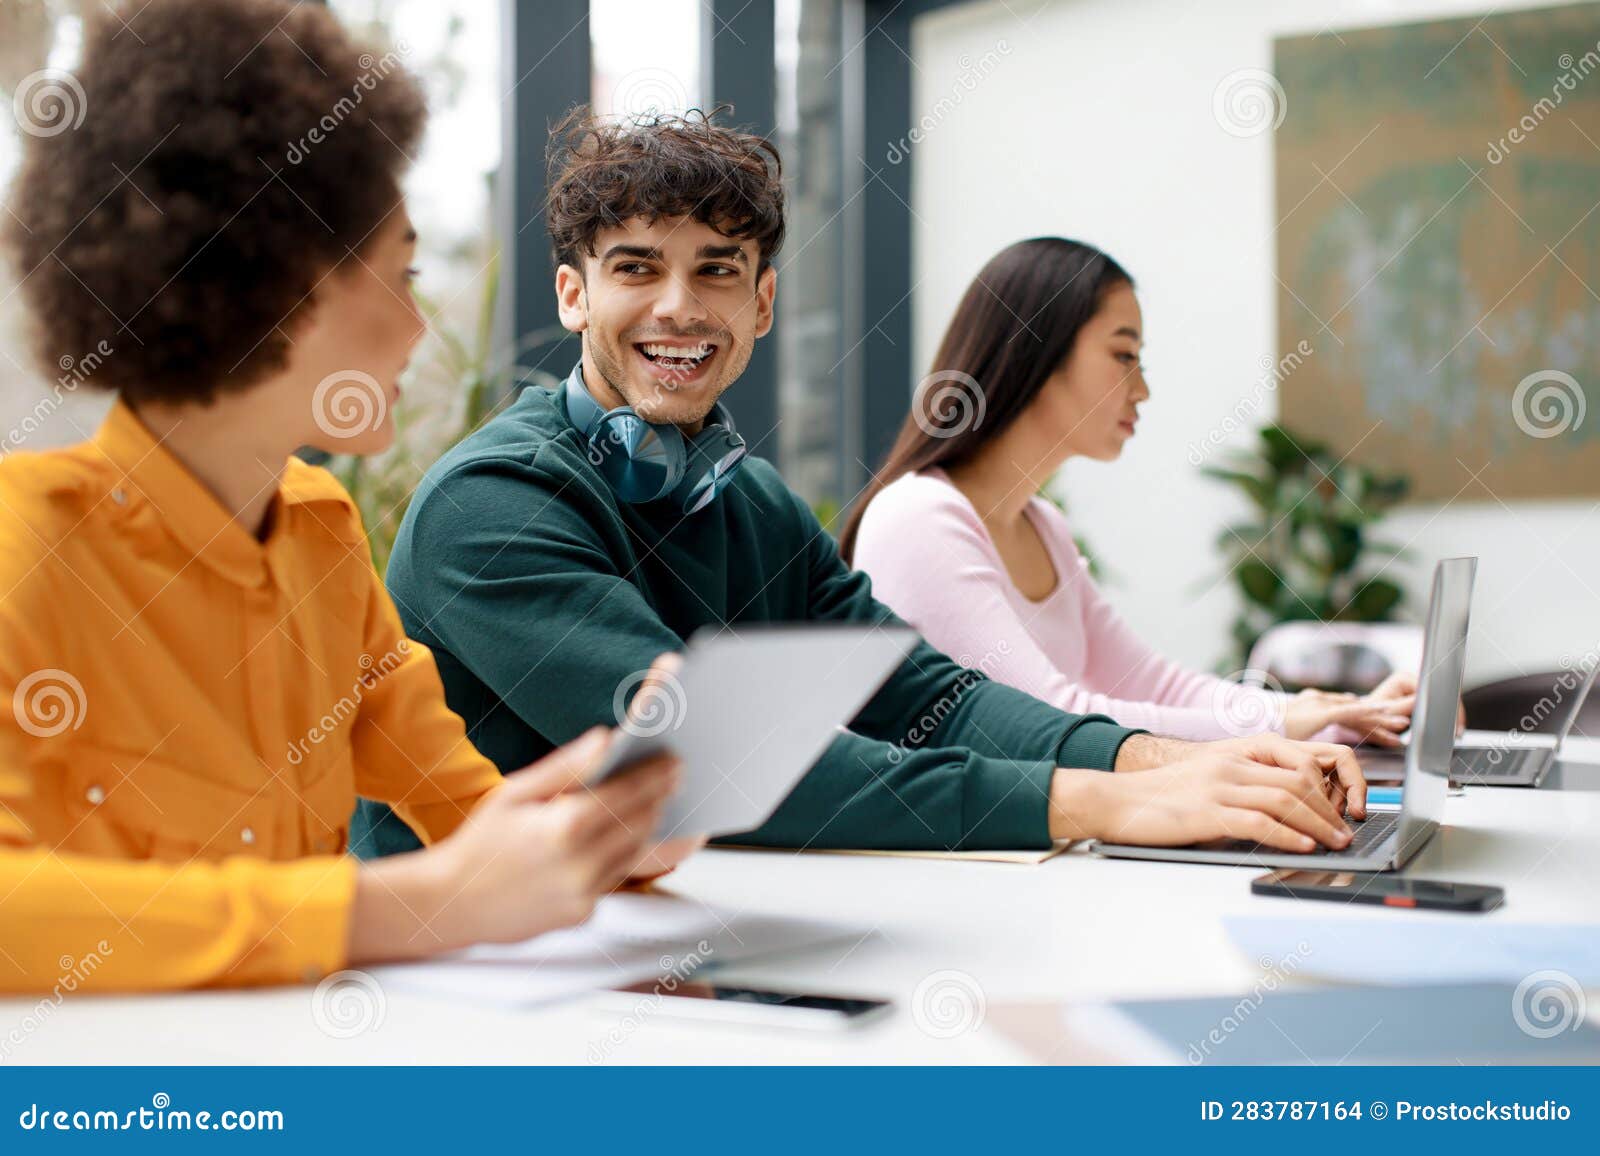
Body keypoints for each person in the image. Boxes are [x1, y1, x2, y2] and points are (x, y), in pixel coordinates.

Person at [353, 114, 1369, 864]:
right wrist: (1102, 802)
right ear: (574, 294)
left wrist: (1164, 764)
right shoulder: (491, 504)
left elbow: (928, 697)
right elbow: (718, 761)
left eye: (716, 271)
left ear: (762, 303)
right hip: (466, 980)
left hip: (651, 940)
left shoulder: (749, 503)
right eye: (635, 268)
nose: (678, 306)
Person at [0, 0, 682, 994]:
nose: (416, 326)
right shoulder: (27, 551)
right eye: (399, 275)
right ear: (284, 284)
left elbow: (467, 819)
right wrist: (413, 905)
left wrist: (609, 822)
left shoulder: (322, 542)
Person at [841, 238, 1419, 745]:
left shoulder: (1042, 526)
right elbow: (1051, 721)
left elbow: (1151, 683)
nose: (1141, 389)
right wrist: (1280, 725)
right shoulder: (920, 517)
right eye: (1123, 356)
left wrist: (1331, 715)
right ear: (1033, 349)